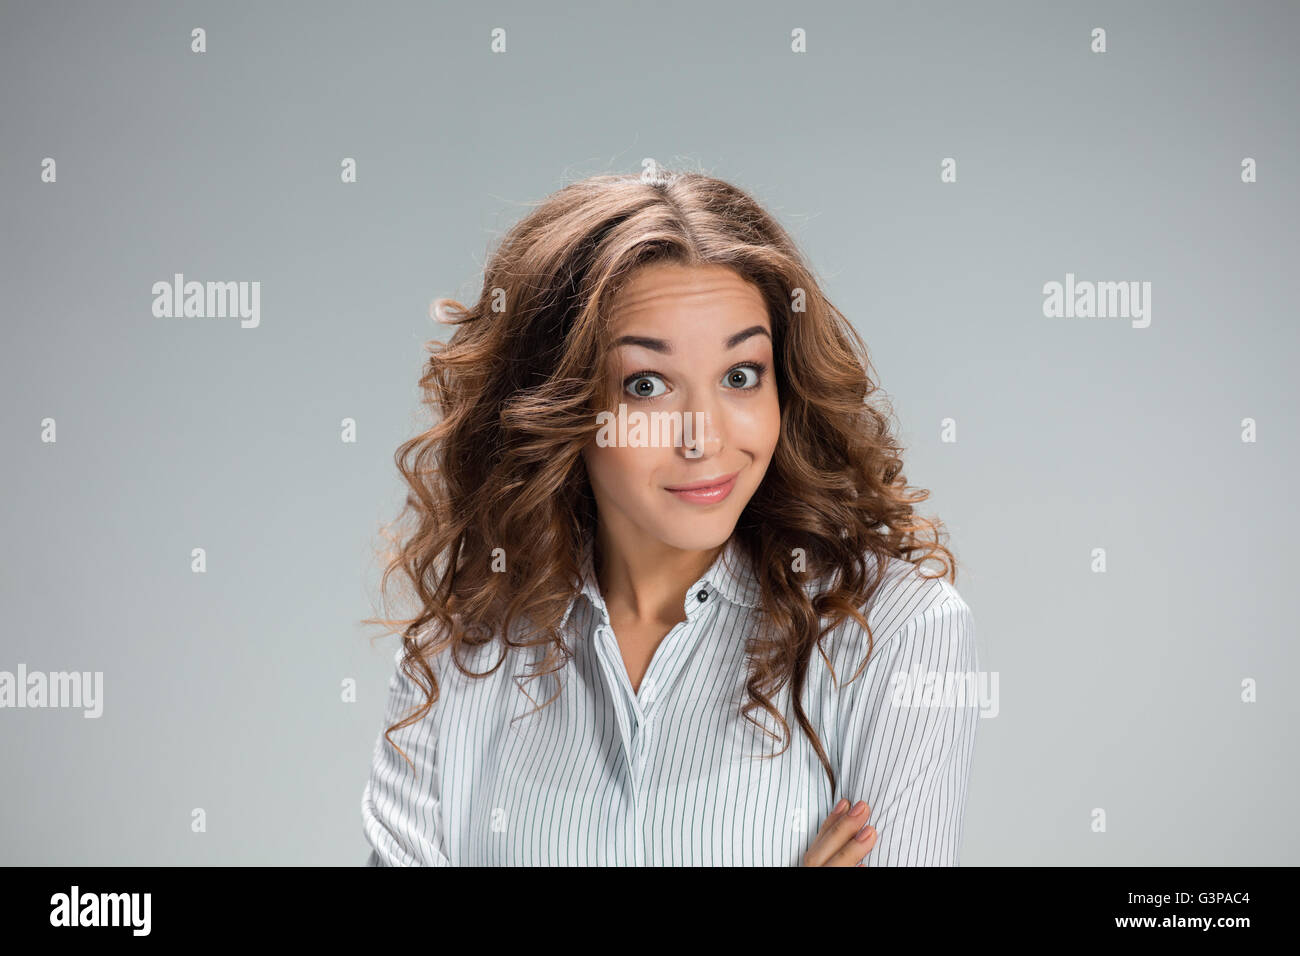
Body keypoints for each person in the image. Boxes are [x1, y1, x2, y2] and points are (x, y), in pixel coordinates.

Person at [360, 169, 979, 866]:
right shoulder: (457, 662)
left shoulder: (895, 632)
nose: (703, 438)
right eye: (646, 386)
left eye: (741, 376)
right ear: (559, 406)